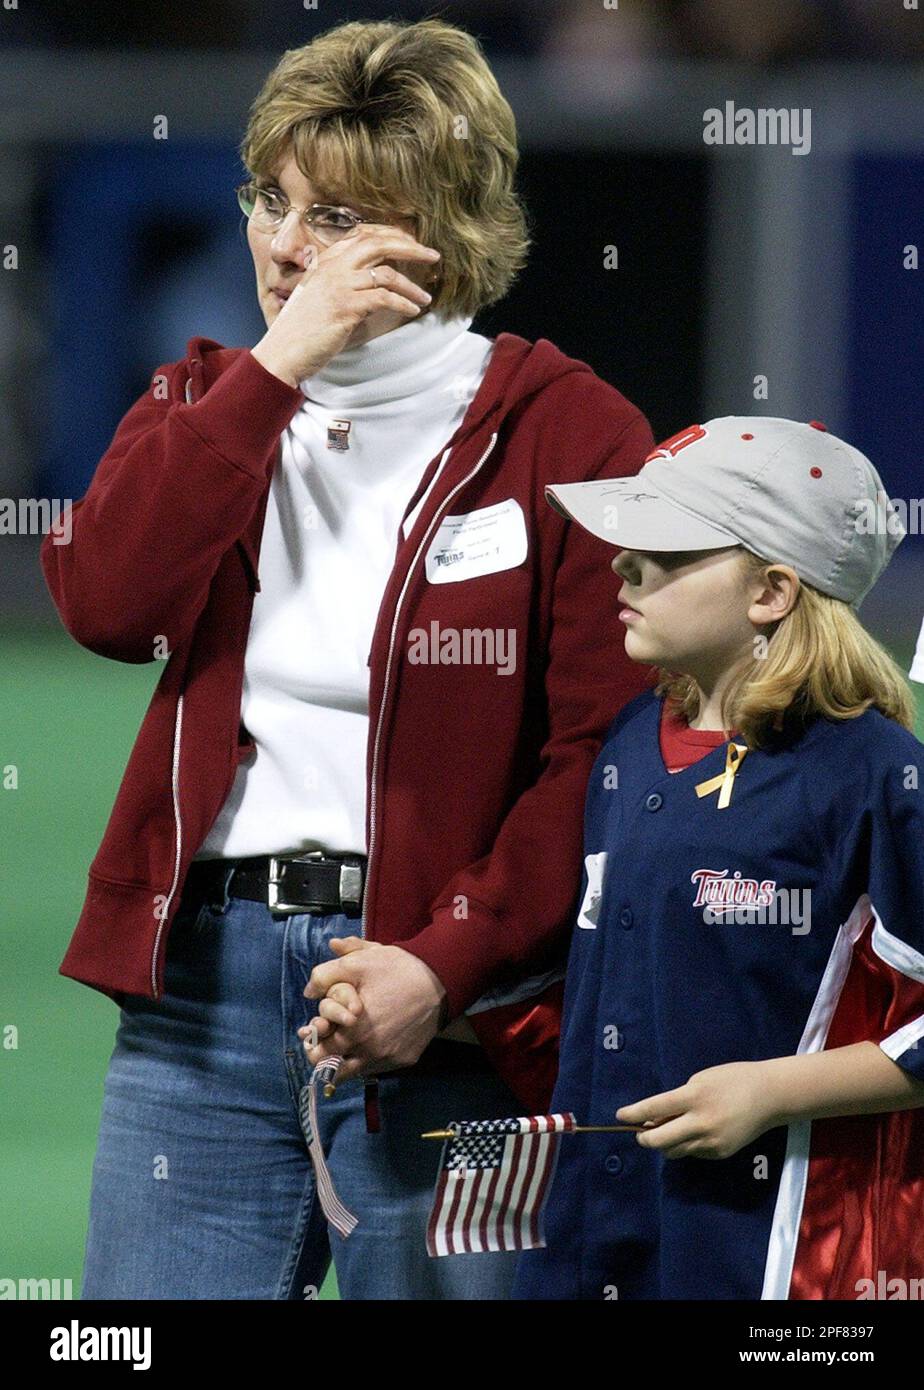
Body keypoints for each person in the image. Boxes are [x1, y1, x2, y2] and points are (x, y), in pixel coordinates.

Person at [39, 17, 654, 1299]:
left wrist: (444, 961)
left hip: (464, 1019)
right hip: (198, 1003)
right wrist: (274, 370)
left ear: (439, 225)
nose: (279, 245)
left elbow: (603, 760)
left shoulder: (573, 432)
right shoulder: (201, 403)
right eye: (272, 198)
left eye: (332, 219)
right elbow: (104, 601)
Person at [511, 416, 924, 1300]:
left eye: (661, 548)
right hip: (588, 1238)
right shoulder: (626, 743)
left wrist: (771, 1092)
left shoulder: (874, 772)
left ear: (771, 590)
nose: (621, 566)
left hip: (765, 1261)